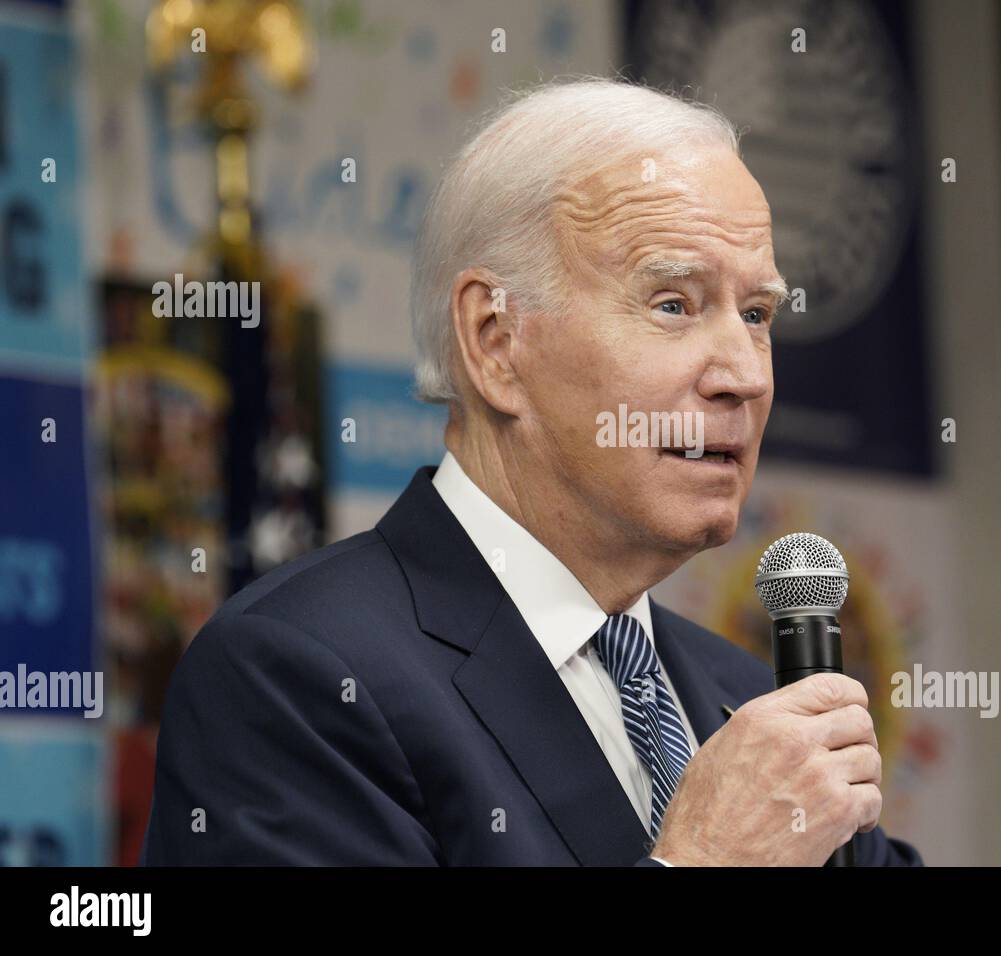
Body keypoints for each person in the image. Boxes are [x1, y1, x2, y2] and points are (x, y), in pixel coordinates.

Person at [141, 78, 922, 867]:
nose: (744, 377)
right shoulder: (294, 676)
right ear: (495, 341)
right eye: (674, 305)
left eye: (756, 316)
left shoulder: (752, 699)